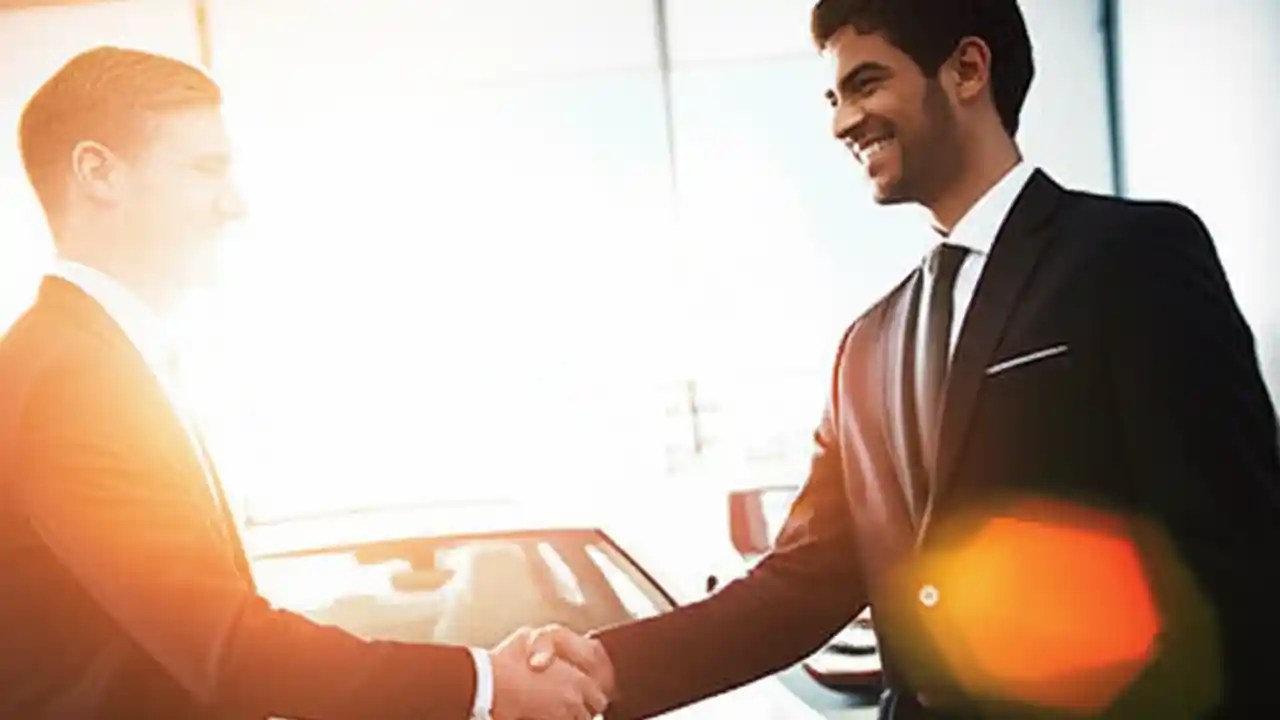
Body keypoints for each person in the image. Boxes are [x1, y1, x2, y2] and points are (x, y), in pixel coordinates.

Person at [526, 1, 1280, 717]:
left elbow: (1234, 558)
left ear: (967, 70)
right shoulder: (867, 345)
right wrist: (607, 666)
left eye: (865, 82)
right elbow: (799, 587)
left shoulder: (1133, 257)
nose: (841, 123)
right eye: (830, 97)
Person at [0, 46, 606, 720]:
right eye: (206, 169)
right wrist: (488, 683)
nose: (234, 205)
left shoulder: (87, 360)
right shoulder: (72, 378)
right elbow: (229, 653)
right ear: (97, 172)